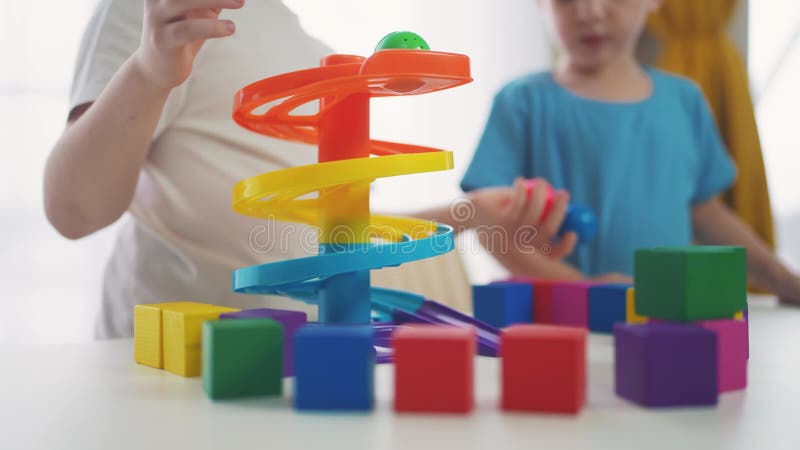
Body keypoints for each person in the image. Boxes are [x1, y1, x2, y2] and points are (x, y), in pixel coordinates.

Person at [44, 0, 574, 338]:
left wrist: (471, 214)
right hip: (174, 369)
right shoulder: (161, 15)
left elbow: (326, 232)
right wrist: (148, 68)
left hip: (296, 367)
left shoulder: (311, 49)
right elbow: (75, 210)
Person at [460, 0, 800, 304]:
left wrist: (782, 279)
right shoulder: (520, 102)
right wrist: (584, 289)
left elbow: (708, 214)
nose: (590, 11)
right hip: (557, 320)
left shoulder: (684, 100)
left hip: (664, 317)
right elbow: (489, 226)